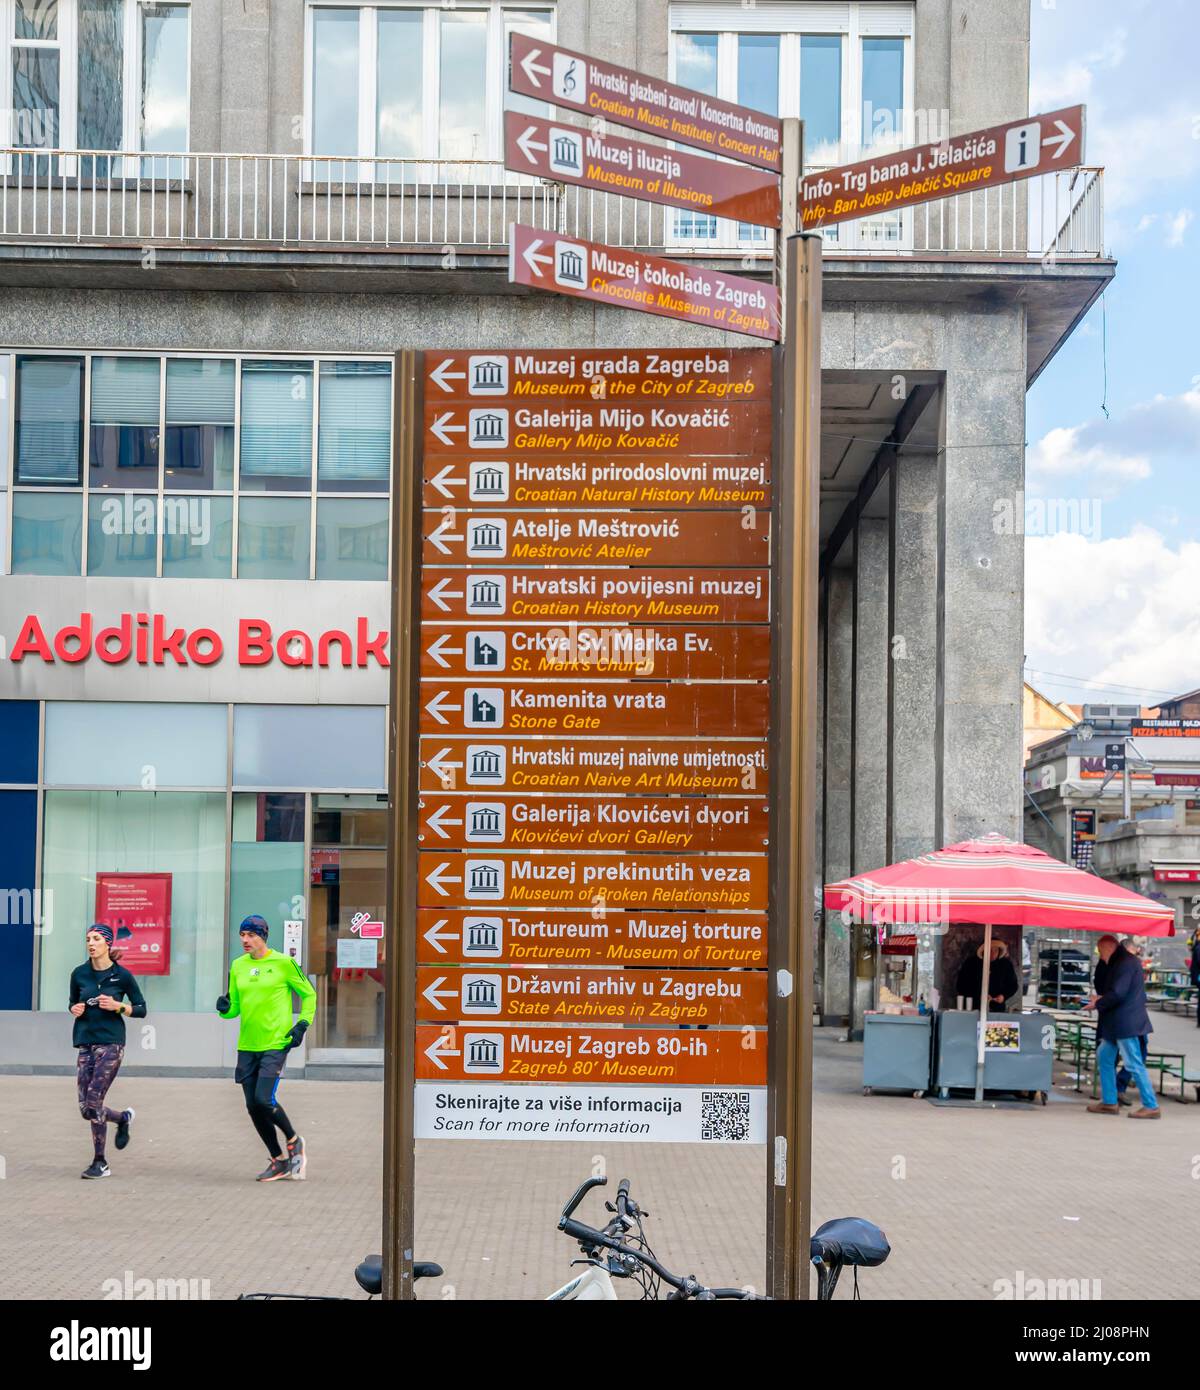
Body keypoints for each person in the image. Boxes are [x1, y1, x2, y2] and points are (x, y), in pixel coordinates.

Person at [217, 915, 317, 1181]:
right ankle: (278, 1160)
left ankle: (294, 1140)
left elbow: (309, 994)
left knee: (263, 1099)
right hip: (248, 1044)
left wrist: (302, 1025)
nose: (245, 940)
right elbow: (235, 1008)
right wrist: (225, 1009)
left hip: (276, 1042)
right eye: (242, 935)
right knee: (252, 1105)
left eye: (250, 935)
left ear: (263, 936)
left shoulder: (284, 963)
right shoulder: (238, 966)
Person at [68, 924, 147, 1179]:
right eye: (88, 939)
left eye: (96, 939)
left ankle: (100, 1162)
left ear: (108, 944)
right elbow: (72, 1002)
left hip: (111, 1044)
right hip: (85, 1042)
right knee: (85, 1109)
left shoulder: (122, 976)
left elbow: (141, 1008)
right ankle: (123, 1118)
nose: (91, 943)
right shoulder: (79, 974)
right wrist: (74, 1009)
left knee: (94, 1101)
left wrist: (118, 1006)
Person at [1087, 933, 1160, 1119]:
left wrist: (1098, 1003)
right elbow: (1109, 987)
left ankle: (1151, 1106)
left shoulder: (1125, 963)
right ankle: (1110, 1101)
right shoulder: (1118, 961)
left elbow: (1118, 993)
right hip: (1116, 1022)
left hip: (1125, 1022)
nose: (1100, 955)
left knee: (1133, 1062)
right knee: (1104, 1056)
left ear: (1107, 948)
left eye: (1100, 951)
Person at [955, 939, 1020, 1013]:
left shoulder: (1005, 964)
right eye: (989, 950)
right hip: (973, 1008)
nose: (992, 953)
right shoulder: (971, 963)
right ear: (983, 950)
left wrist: (1003, 996)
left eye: (995, 950)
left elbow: (1013, 985)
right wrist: (979, 995)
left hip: (997, 1009)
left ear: (999, 951)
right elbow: (961, 985)